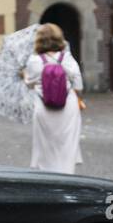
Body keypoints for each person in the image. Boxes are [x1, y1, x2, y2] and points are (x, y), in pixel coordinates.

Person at [23, 23, 84, 174]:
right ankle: (67, 176)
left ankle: (48, 178)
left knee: (46, 147)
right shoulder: (67, 58)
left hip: (43, 108)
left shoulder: (34, 60)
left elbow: (30, 84)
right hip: (68, 107)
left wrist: (25, 75)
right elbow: (78, 83)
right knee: (67, 145)